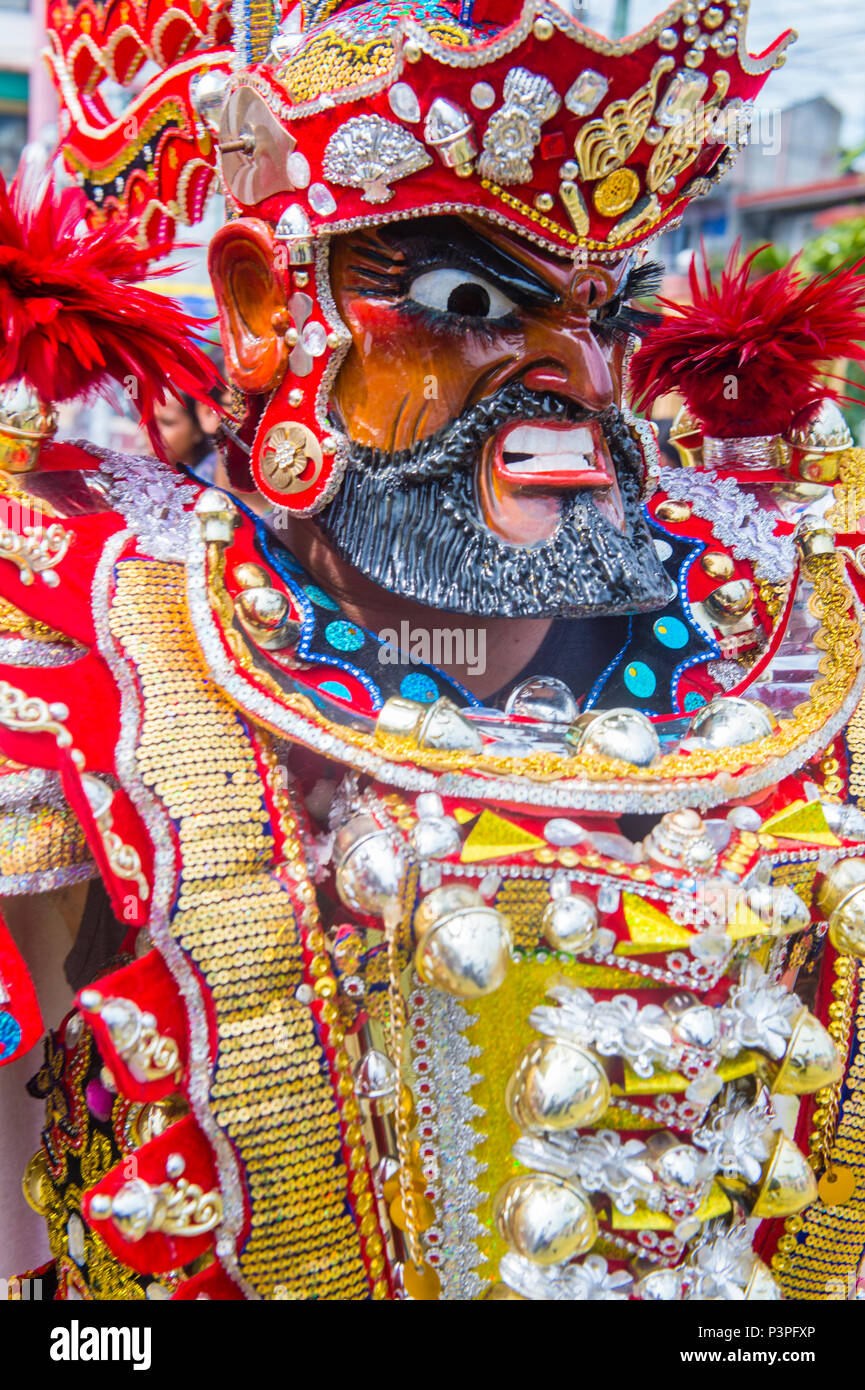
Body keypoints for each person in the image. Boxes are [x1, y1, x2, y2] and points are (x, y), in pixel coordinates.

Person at [0, 0, 863, 1305]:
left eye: (596, 309)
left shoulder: (777, 598)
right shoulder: (102, 614)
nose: (558, 370)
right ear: (259, 307)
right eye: (464, 299)